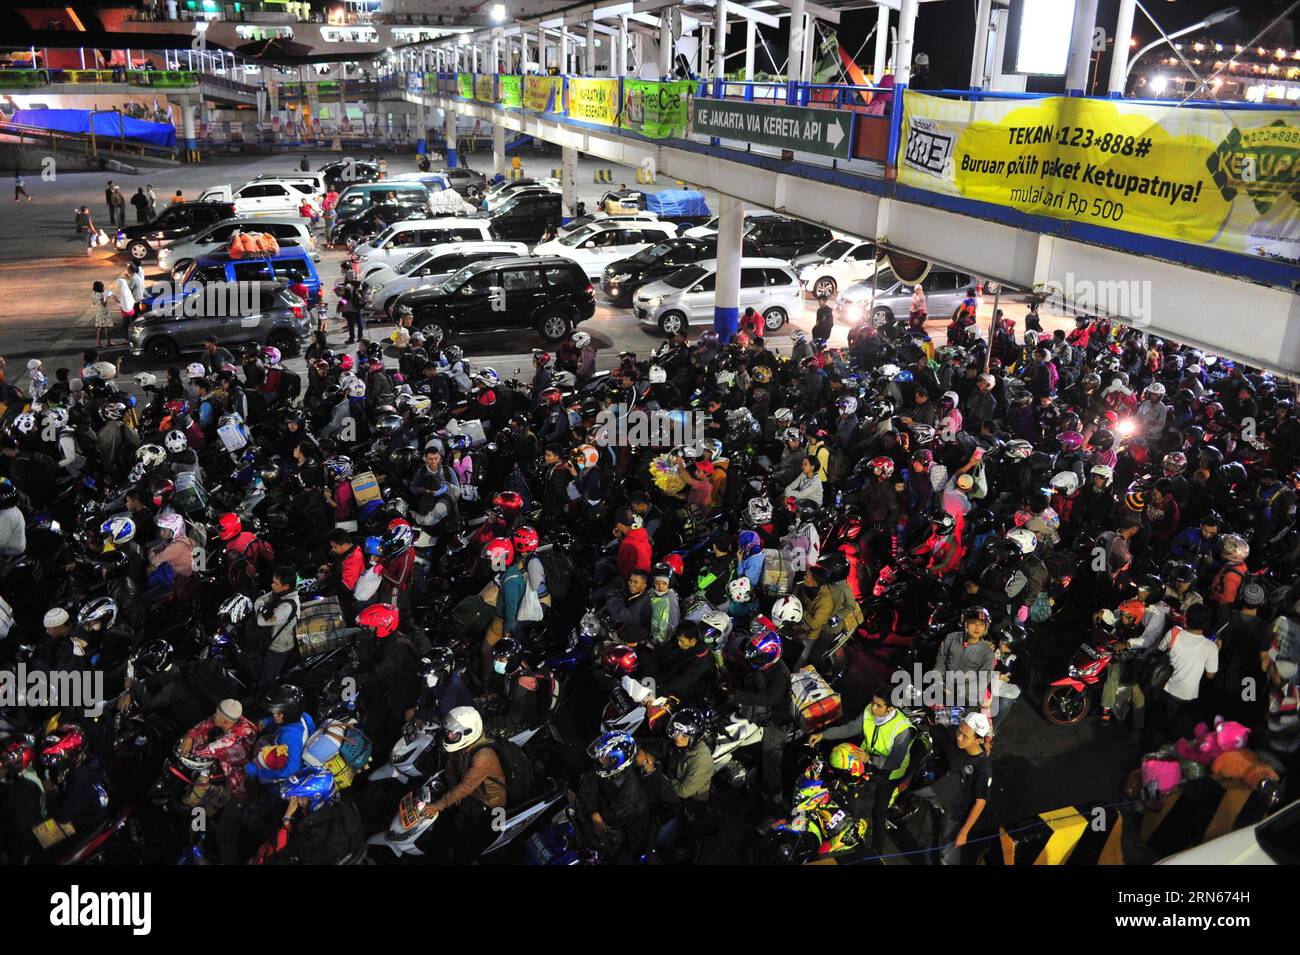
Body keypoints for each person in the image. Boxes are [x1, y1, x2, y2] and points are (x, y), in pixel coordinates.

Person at [810, 683, 917, 856]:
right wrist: (824, 734)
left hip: (888, 771)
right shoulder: (869, 711)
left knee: (878, 812)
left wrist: (870, 759)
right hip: (865, 758)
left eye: (878, 705)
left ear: (889, 709)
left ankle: (876, 851)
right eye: (873, 702)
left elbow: (895, 762)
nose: (873, 707)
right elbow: (851, 728)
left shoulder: (901, 730)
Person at [416, 707, 509, 864]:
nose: (450, 736)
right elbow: (451, 770)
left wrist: (438, 805)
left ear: (468, 732)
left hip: (490, 803)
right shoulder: (459, 746)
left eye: (455, 733)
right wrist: (451, 794)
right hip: (473, 792)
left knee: (467, 841)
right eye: (449, 732)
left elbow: (465, 787)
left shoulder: (484, 756)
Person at [913, 711, 992, 864]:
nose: (958, 737)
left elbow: (980, 802)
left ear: (978, 740)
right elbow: (937, 728)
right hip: (936, 800)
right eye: (959, 731)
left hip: (955, 815)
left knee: (947, 856)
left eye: (965, 736)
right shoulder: (955, 740)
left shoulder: (983, 768)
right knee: (926, 838)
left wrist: (964, 831)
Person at [91, 281, 114, 347]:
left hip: (98, 311)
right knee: (107, 327)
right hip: (104, 312)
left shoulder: (94, 293)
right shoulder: (101, 295)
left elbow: (93, 302)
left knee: (100, 327)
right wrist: (106, 297)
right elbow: (104, 304)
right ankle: (108, 342)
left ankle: (99, 342)